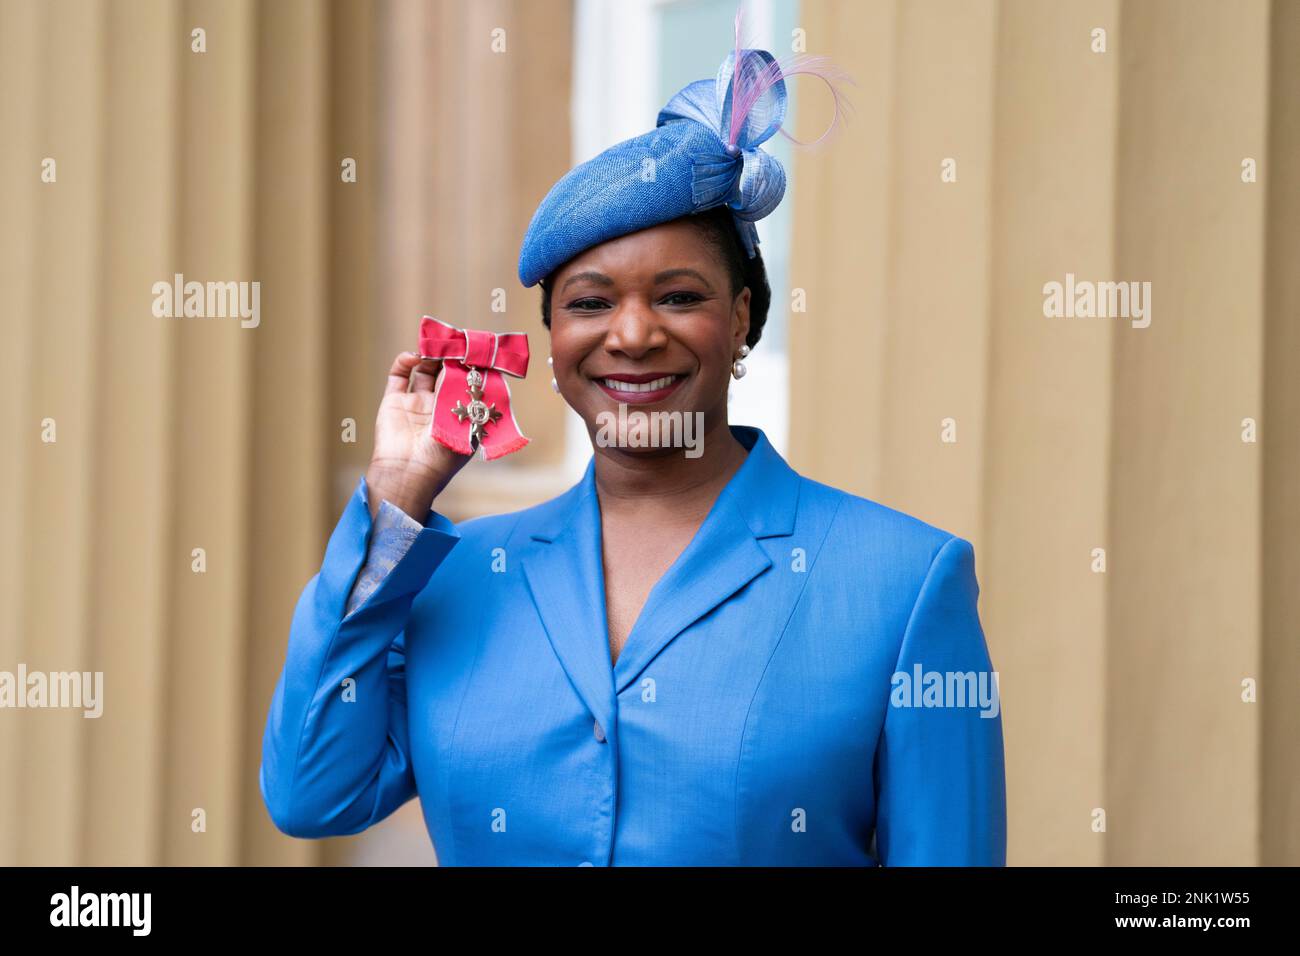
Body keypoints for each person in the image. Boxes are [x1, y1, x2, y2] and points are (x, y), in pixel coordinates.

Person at [259, 30, 1006, 866]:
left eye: (680, 296)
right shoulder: (457, 575)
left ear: (743, 320)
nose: (634, 334)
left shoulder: (902, 584)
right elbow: (312, 790)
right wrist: (395, 501)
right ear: (552, 338)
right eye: (589, 302)